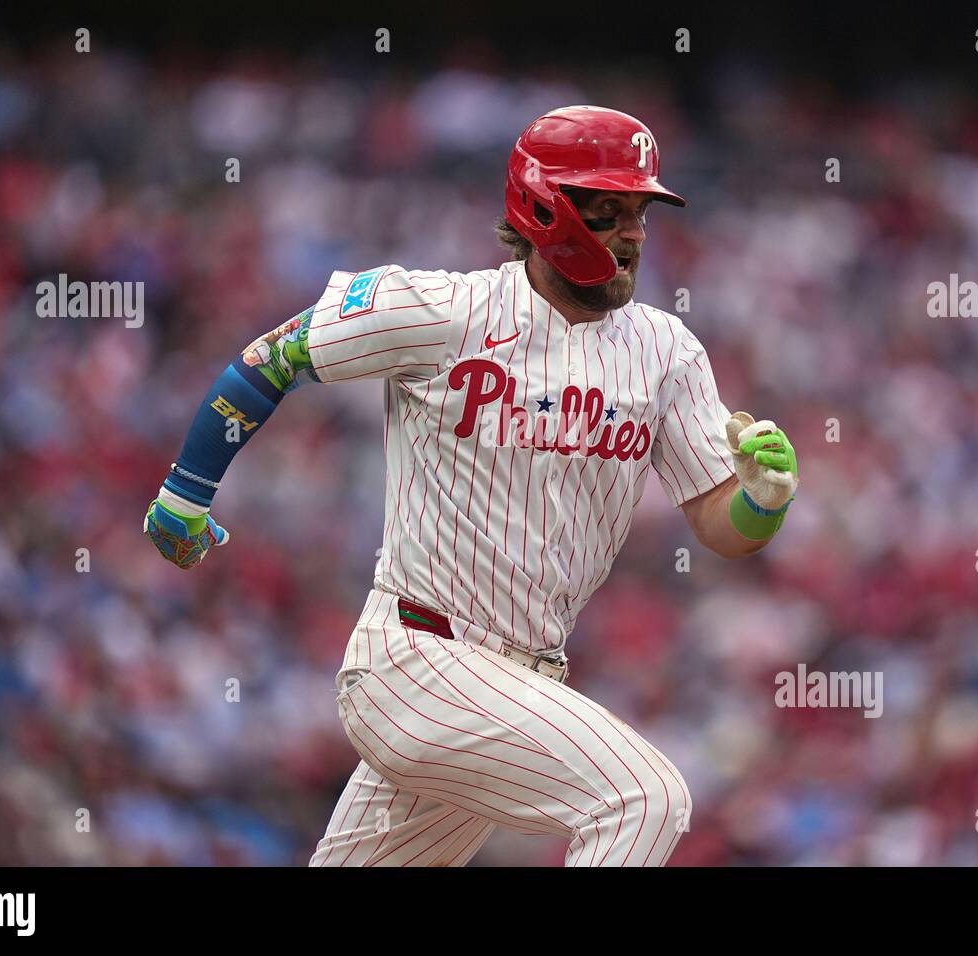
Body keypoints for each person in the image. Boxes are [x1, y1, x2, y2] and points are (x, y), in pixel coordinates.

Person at [143, 105, 800, 866]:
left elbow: (721, 526)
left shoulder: (666, 350)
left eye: (641, 213)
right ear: (544, 206)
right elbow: (274, 358)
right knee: (644, 798)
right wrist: (187, 494)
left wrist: (763, 500)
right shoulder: (443, 310)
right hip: (416, 660)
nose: (634, 234)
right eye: (609, 211)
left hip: (516, 689)